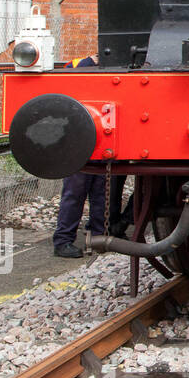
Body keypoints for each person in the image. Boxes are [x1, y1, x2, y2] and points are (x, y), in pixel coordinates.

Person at [52, 55, 128, 258]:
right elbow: (67, 73)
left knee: (102, 194)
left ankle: (99, 237)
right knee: (74, 194)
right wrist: (91, 61)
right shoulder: (80, 64)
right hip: (80, 142)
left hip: (104, 141)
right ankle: (62, 241)